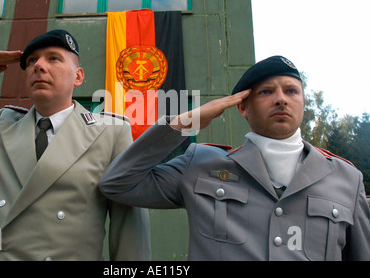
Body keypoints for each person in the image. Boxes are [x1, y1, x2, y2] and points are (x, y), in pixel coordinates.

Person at [100, 55, 370, 260]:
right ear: (242, 107)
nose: (281, 100)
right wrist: (186, 123)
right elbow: (117, 183)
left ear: (302, 101)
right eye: (266, 92)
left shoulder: (346, 179)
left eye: (291, 91)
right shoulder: (201, 165)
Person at [0, 30, 150, 261]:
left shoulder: (110, 133)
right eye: (32, 60)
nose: (38, 65)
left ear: (78, 77)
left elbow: (129, 231)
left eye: (53, 58)